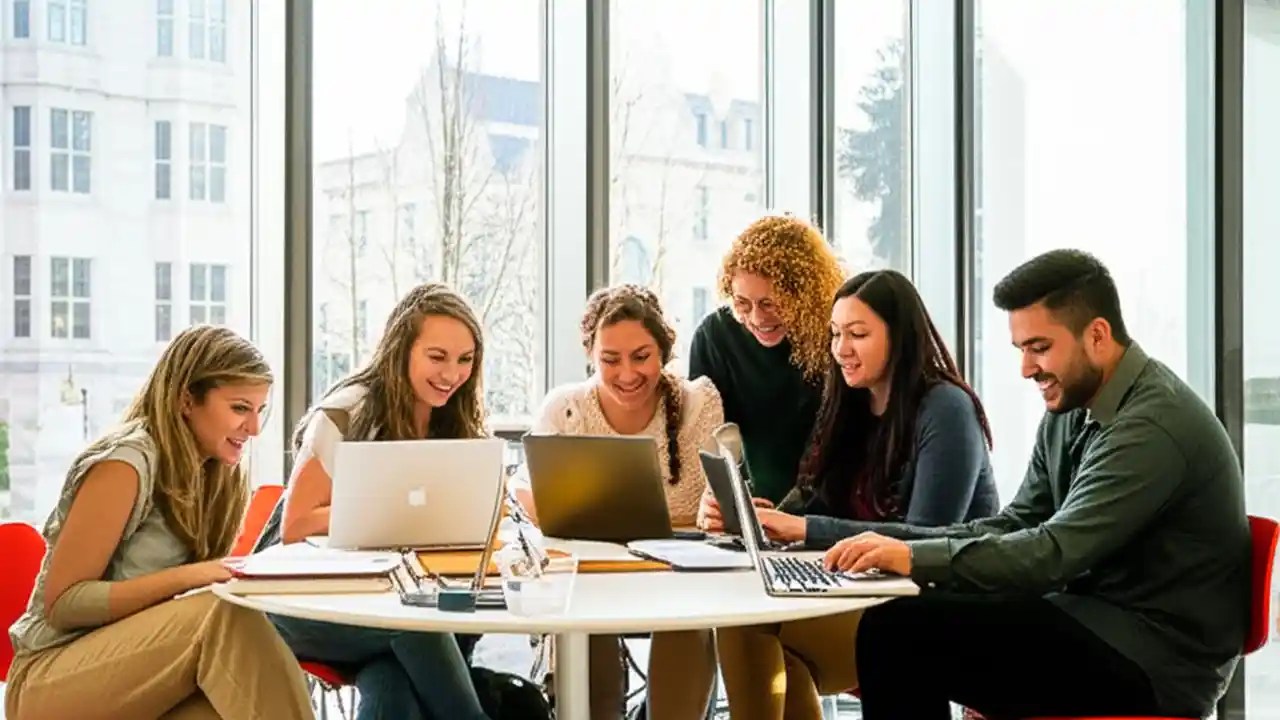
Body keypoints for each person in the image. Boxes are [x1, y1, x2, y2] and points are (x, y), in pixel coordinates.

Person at [827, 250, 1249, 719]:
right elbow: (1018, 522)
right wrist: (895, 546)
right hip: (1091, 622)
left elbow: (1052, 553)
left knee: (896, 632)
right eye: (1021, 350)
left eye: (1040, 347)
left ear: (1097, 335)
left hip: (1154, 662)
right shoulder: (1073, 406)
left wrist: (911, 556)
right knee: (902, 618)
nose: (1026, 369)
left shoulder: (1152, 427)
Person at [713, 270, 999, 719]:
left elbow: (928, 537)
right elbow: (813, 502)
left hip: (929, 614)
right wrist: (753, 516)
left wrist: (806, 528)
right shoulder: (853, 405)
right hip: (866, 598)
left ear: (900, 336)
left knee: (760, 637)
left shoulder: (945, 408)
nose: (841, 349)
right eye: (835, 334)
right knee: (742, 626)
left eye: (857, 334)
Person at [4, 325, 313, 720]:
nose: (253, 429)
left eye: (259, 411)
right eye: (239, 408)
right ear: (187, 400)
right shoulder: (126, 464)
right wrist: (192, 577)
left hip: (143, 667)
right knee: (221, 615)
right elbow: (64, 604)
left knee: (225, 707)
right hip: (49, 679)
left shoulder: (218, 475)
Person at [268, 283, 492, 720]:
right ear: (401, 349)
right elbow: (295, 524)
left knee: (392, 686)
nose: (452, 374)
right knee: (420, 628)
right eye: (437, 357)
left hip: (383, 605)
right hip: (297, 603)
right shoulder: (347, 412)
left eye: (465, 360)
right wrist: (396, 514)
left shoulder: (453, 418)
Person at [513, 284, 724, 720]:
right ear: (591, 355)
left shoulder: (699, 404)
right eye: (610, 360)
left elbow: (717, 503)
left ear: (663, 351)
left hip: (677, 580)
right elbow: (523, 492)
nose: (627, 374)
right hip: (592, 579)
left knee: (689, 623)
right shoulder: (566, 408)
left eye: (641, 356)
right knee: (583, 623)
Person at [690, 214, 845, 510]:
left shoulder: (837, 336)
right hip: (751, 512)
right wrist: (718, 501)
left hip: (827, 514)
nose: (757, 319)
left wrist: (792, 516)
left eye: (770, 303)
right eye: (742, 304)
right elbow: (711, 441)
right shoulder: (716, 338)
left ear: (805, 295)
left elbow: (845, 448)